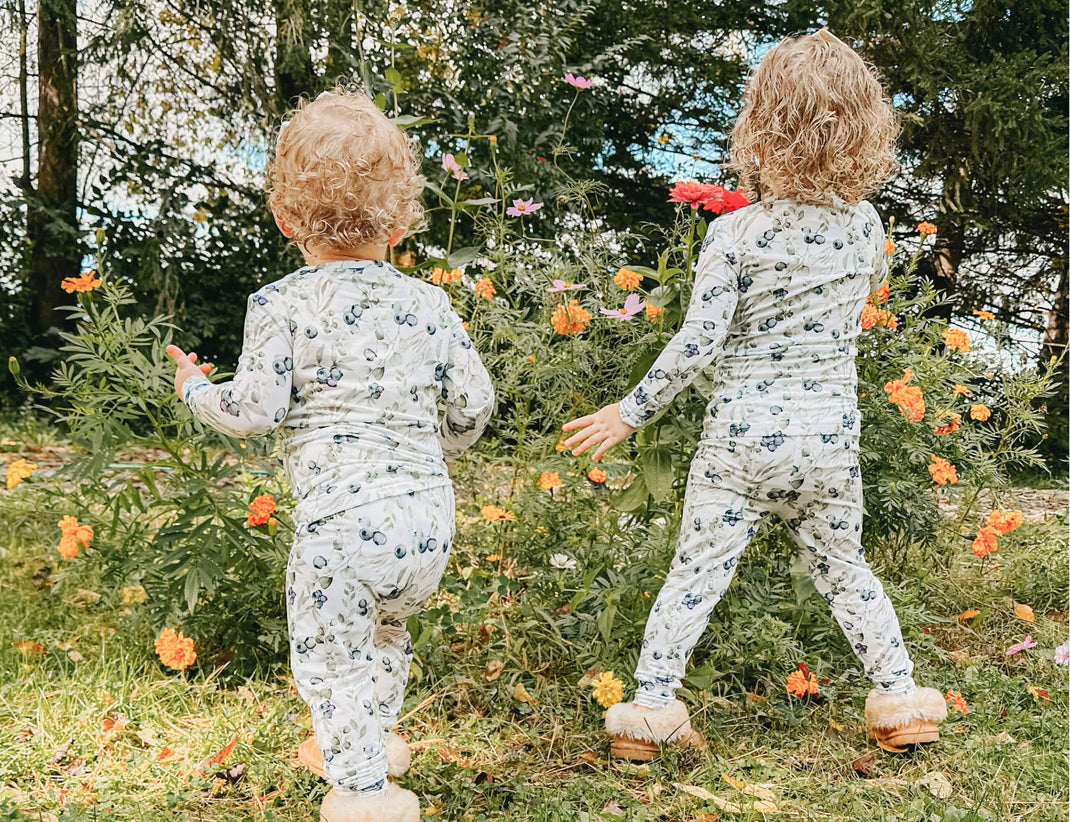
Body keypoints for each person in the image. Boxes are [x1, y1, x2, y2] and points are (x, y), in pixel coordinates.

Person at [562, 30, 946, 759]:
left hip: (740, 439)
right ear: (862, 131)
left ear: (761, 129)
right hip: (828, 439)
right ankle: (900, 702)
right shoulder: (866, 227)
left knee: (695, 574)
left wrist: (628, 413)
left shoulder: (736, 233)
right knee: (847, 572)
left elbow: (699, 341)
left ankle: (649, 714)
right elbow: (867, 293)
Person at [167, 89, 494, 822]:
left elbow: (254, 412)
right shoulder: (430, 306)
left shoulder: (281, 304)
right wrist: (429, 450)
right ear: (402, 218)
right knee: (385, 632)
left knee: (331, 656)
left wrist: (195, 389)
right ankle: (368, 740)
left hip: (343, 527)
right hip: (426, 523)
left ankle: (364, 791)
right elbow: (475, 407)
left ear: (285, 219)